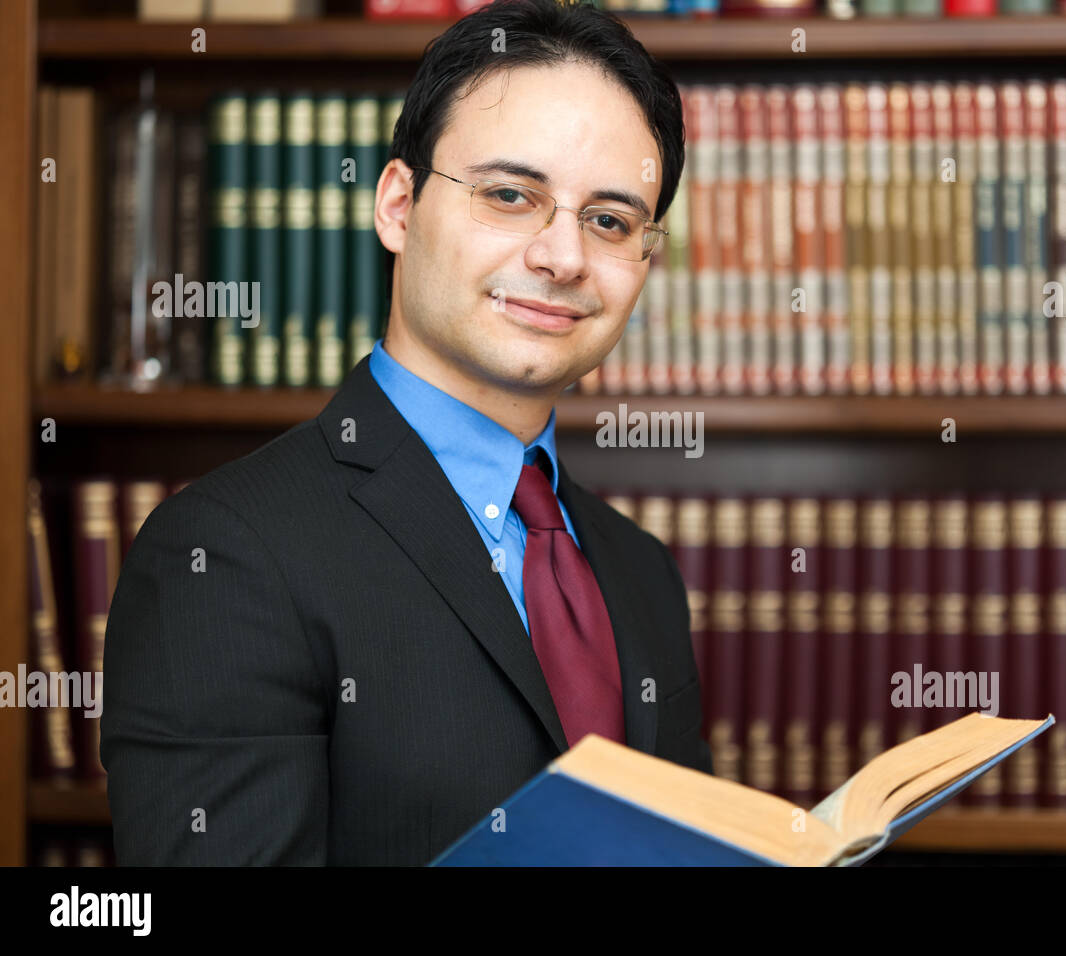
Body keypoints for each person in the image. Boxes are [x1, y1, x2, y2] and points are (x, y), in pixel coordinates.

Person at [101, 0, 710, 865]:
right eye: (510, 196)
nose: (562, 257)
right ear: (397, 204)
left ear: (643, 259)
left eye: (609, 220)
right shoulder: (226, 556)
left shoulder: (639, 572)